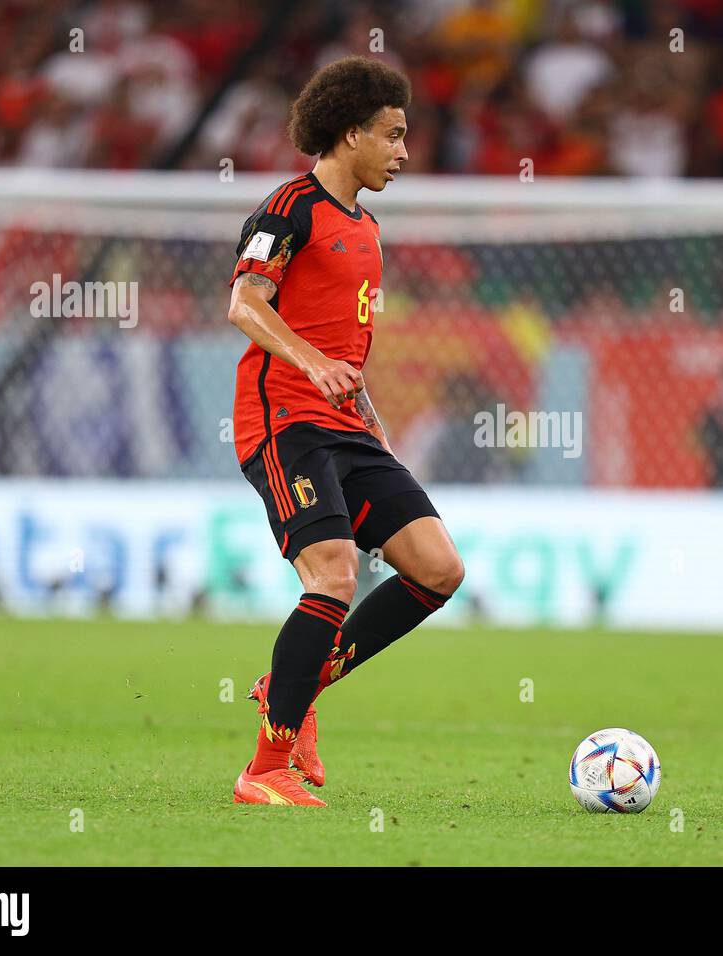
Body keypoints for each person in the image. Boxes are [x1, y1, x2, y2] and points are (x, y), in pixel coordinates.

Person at [226, 57, 464, 806]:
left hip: (344, 424)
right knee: (332, 574)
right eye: (392, 136)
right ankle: (264, 769)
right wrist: (309, 359)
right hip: (282, 419)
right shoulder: (286, 208)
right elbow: (244, 303)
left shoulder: (368, 226)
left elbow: (349, 344)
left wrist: (370, 417)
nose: (402, 151)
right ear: (351, 131)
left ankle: (291, 687)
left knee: (437, 569)